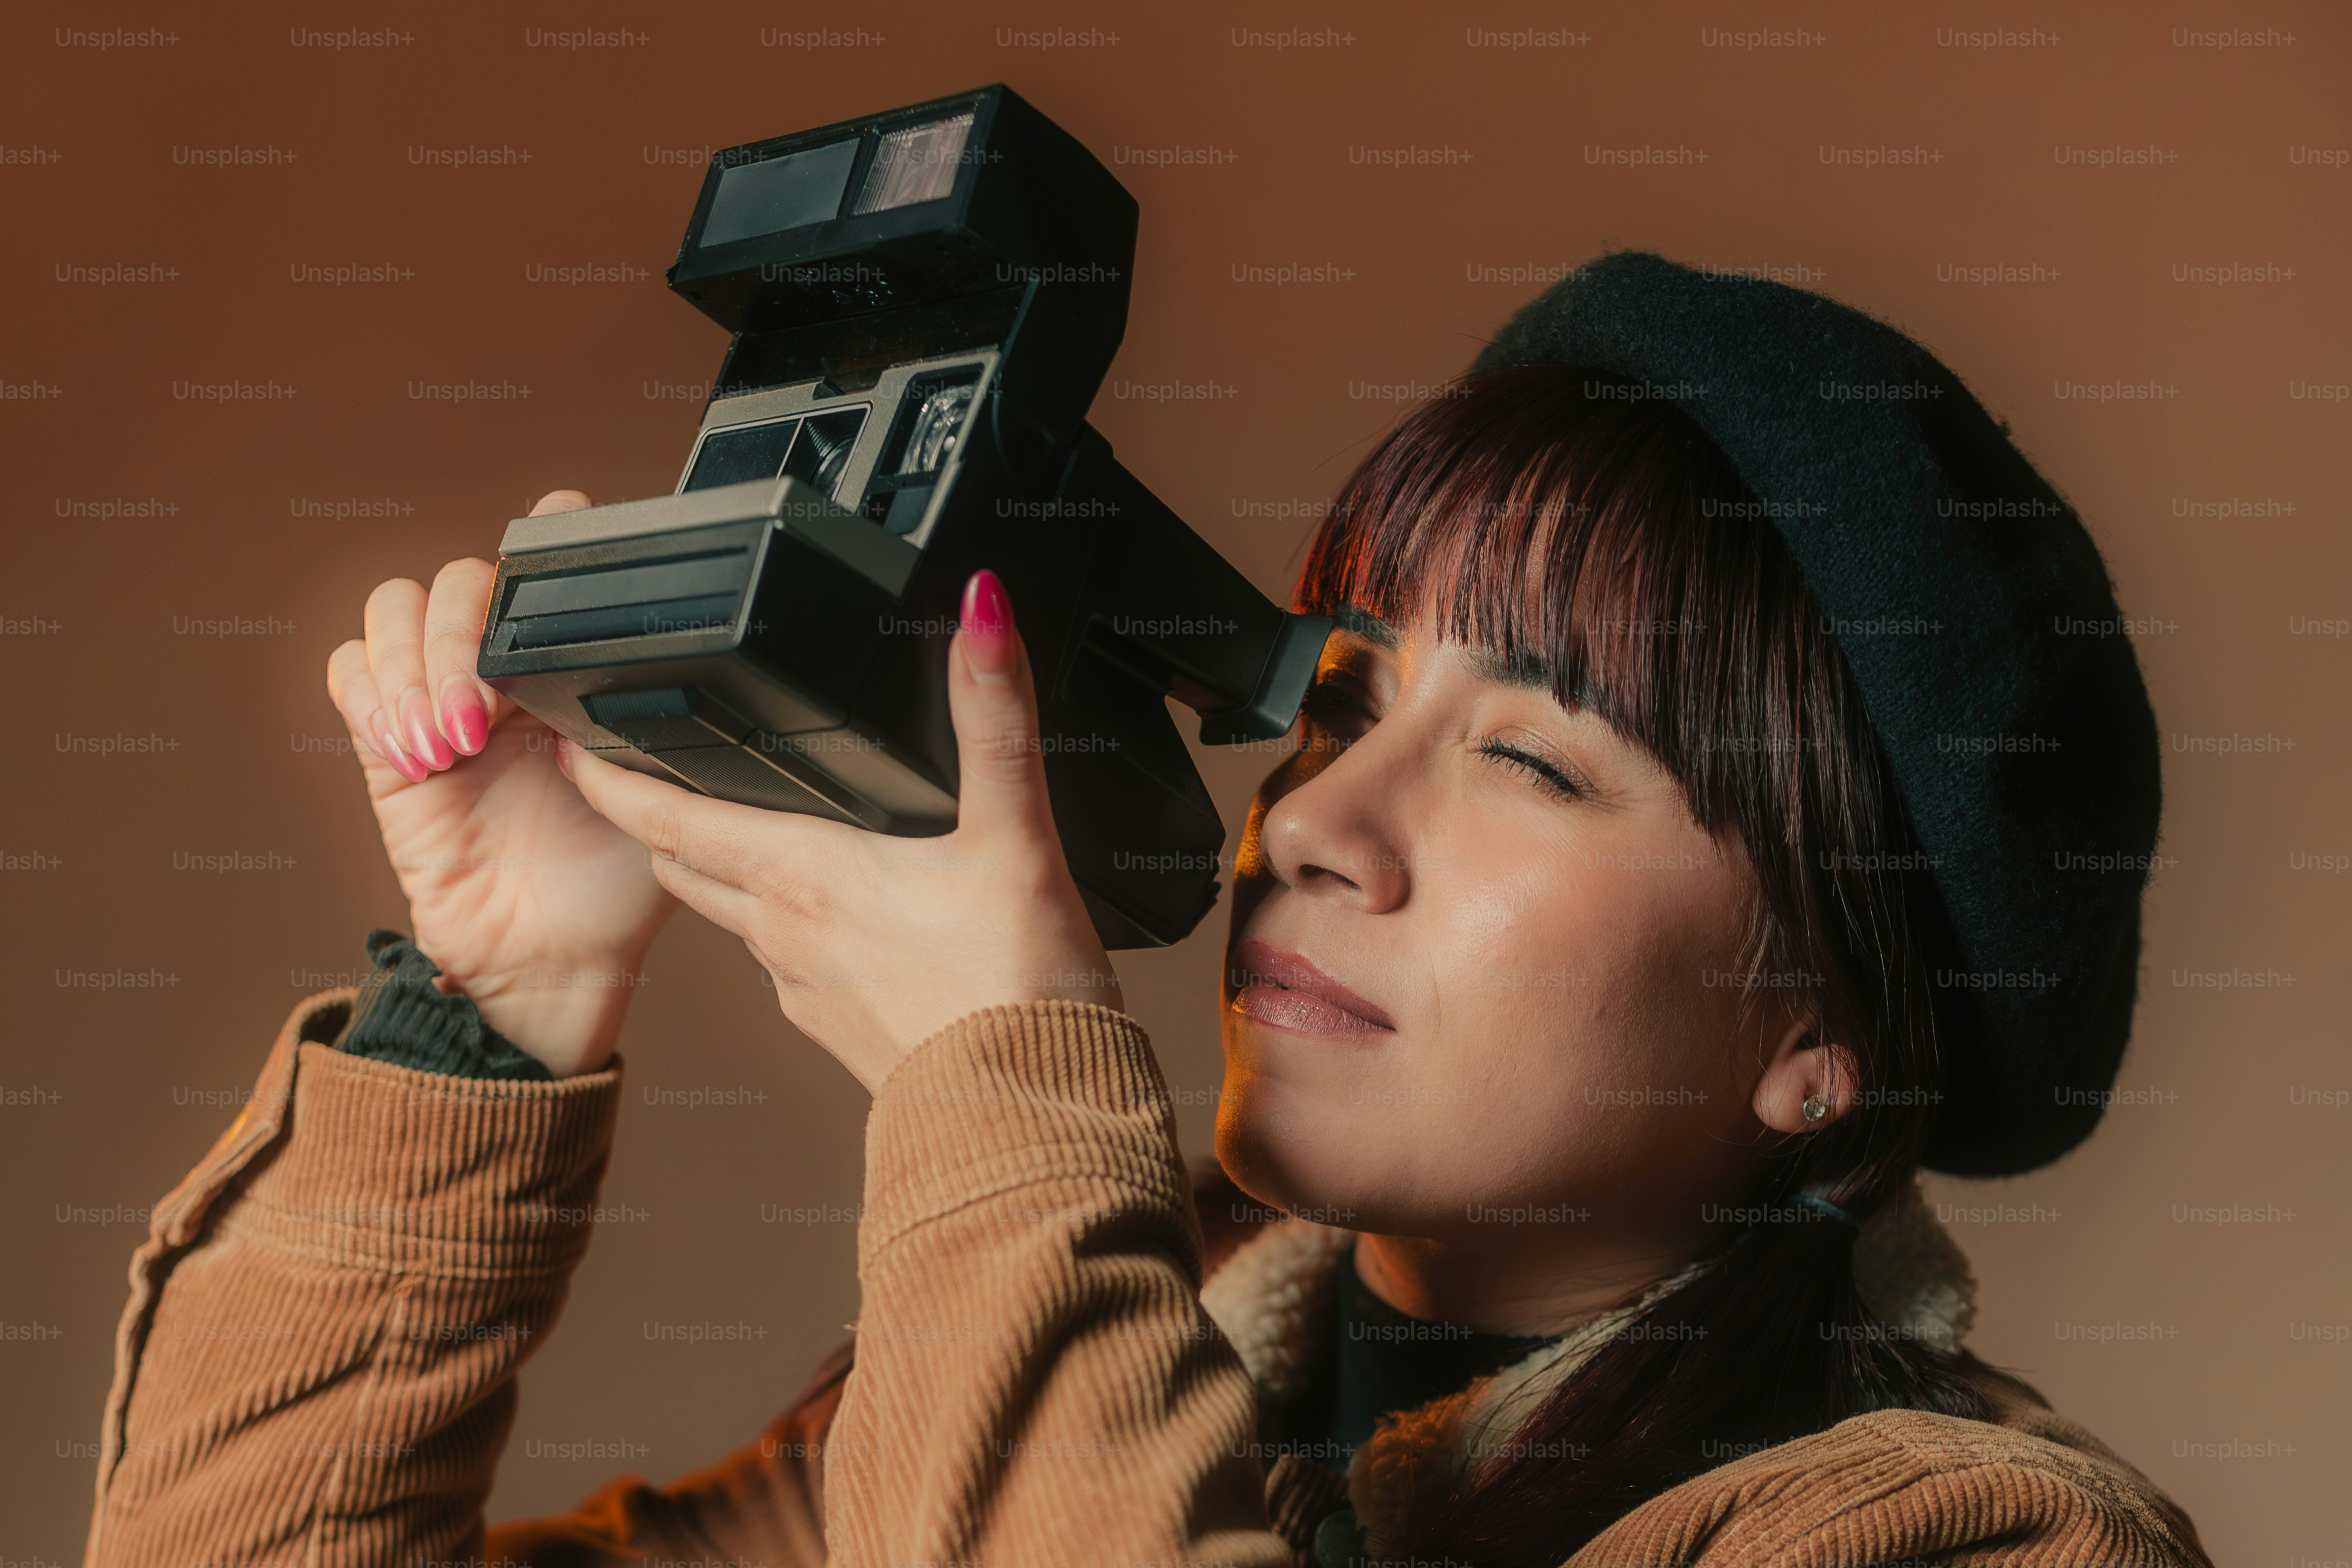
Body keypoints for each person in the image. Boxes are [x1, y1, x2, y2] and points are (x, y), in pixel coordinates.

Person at [82, 254, 2211, 1567]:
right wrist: (495, 1004)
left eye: (1535, 762)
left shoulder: (1975, 1542)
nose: (1317, 822)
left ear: (1821, 1035)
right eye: (1344, 703)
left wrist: (996, 1089)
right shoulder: (1070, 1370)